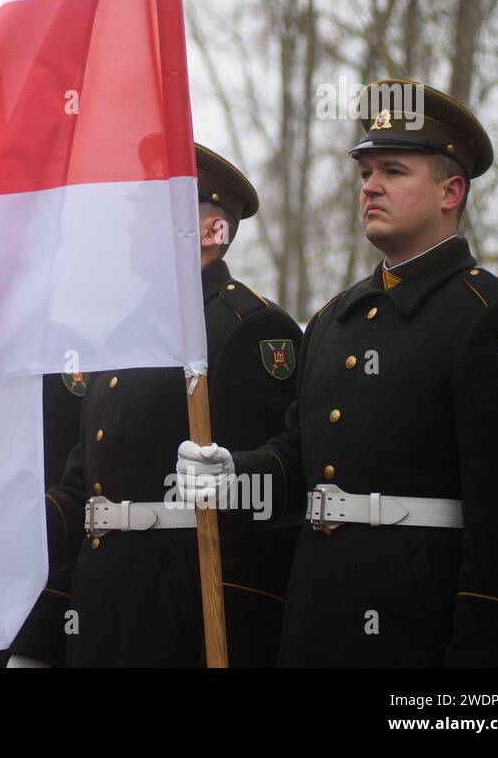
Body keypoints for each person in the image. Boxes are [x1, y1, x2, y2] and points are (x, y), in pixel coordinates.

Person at [177, 80, 498, 666]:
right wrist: (234, 474)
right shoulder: (334, 319)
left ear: (450, 191)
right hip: (316, 628)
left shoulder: (494, 319)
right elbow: (299, 461)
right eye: (364, 174)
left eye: (393, 171)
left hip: (419, 639)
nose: (371, 187)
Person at [22, 145, 302, 667]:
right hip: (104, 613)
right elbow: (83, 489)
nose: (133, 222)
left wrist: (237, 632)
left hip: (184, 623)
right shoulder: (127, 336)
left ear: (212, 231)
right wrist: (11, 532)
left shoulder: (247, 328)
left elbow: (269, 504)